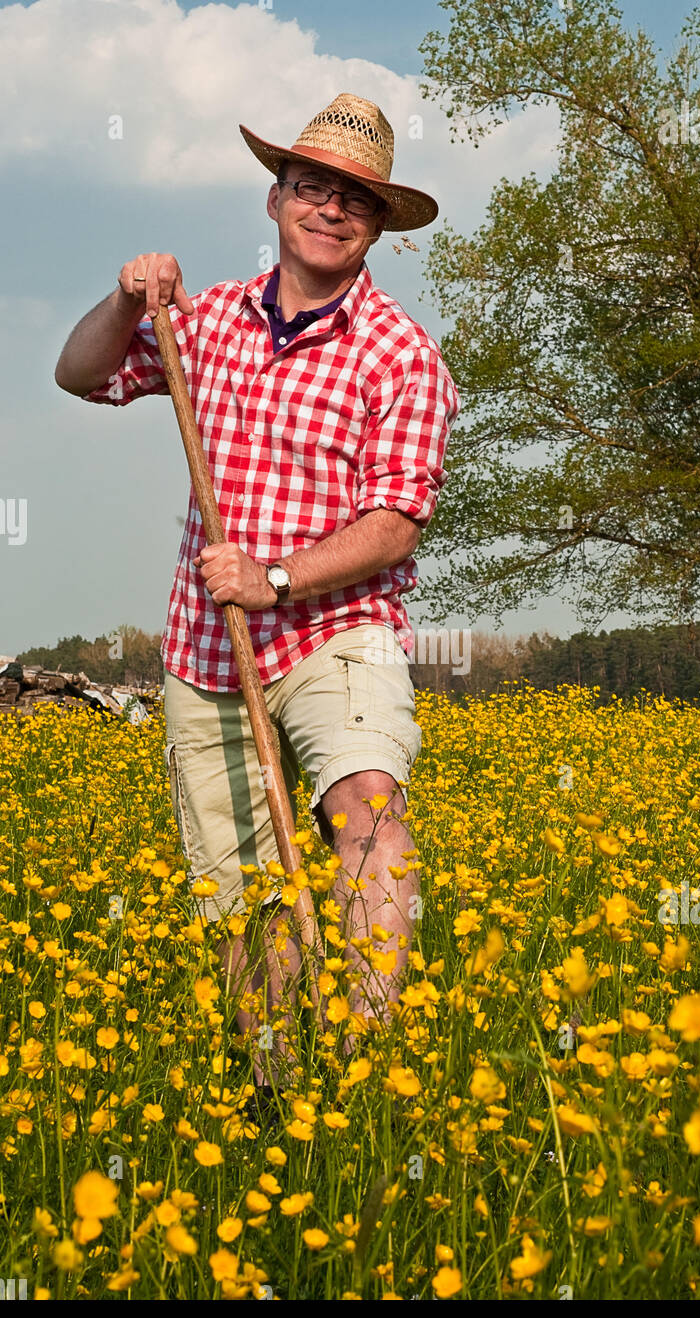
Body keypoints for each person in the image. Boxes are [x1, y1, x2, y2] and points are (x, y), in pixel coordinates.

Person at [54, 92, 459, 1104]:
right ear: (278, 198)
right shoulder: (211, 323)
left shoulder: (403, 356)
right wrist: (125, 299)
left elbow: (395, 522)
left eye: (356, 201)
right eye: (314, 187)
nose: (331, 210)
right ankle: (279, 1103)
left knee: (371, 811)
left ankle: (361, 1070)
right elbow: (76, 375)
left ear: (377, 227)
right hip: (206, 653)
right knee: (244, 903)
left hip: (336, 635)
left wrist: (275, 577)